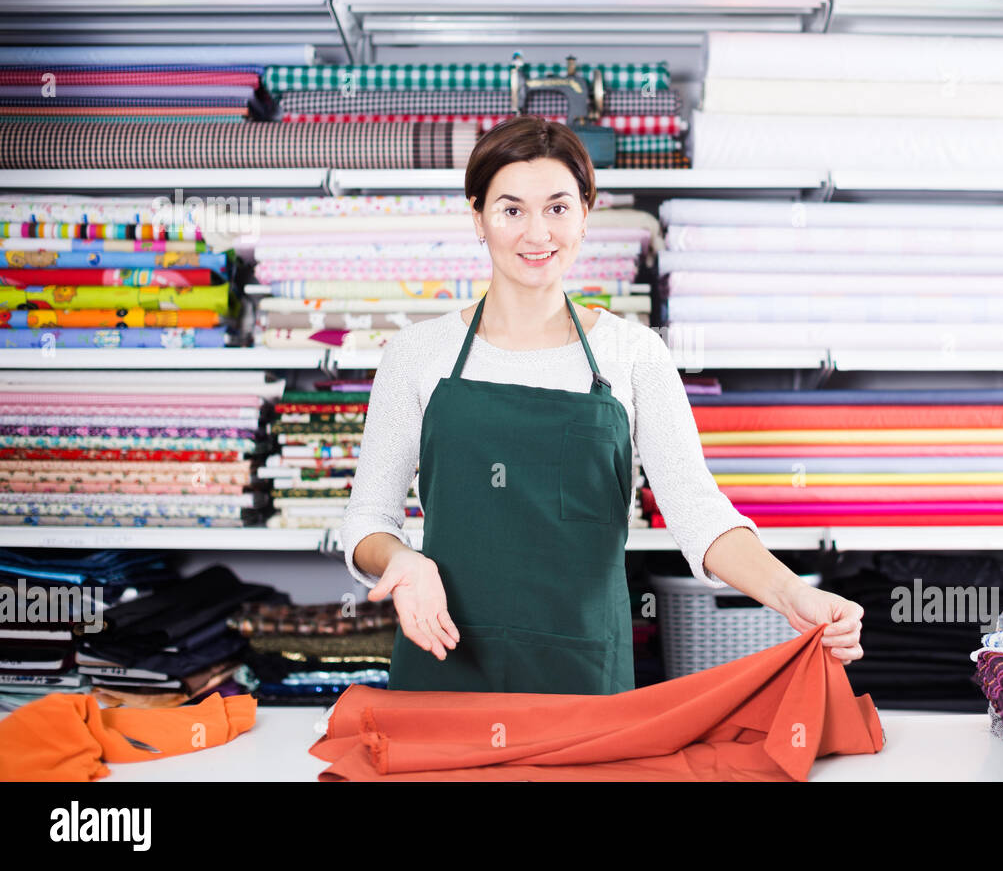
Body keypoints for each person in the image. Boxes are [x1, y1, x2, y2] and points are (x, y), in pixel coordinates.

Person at [340, 116, 865, 693]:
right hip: (443, 664)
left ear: (586, 216)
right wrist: (403, 562)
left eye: (558, 208)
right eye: (511, 209)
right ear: (478, 218)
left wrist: (793, 594)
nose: (537, 233)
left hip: (584, 674)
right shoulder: (416, 353)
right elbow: (368, 521)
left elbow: (697, 513)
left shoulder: (633, 353)